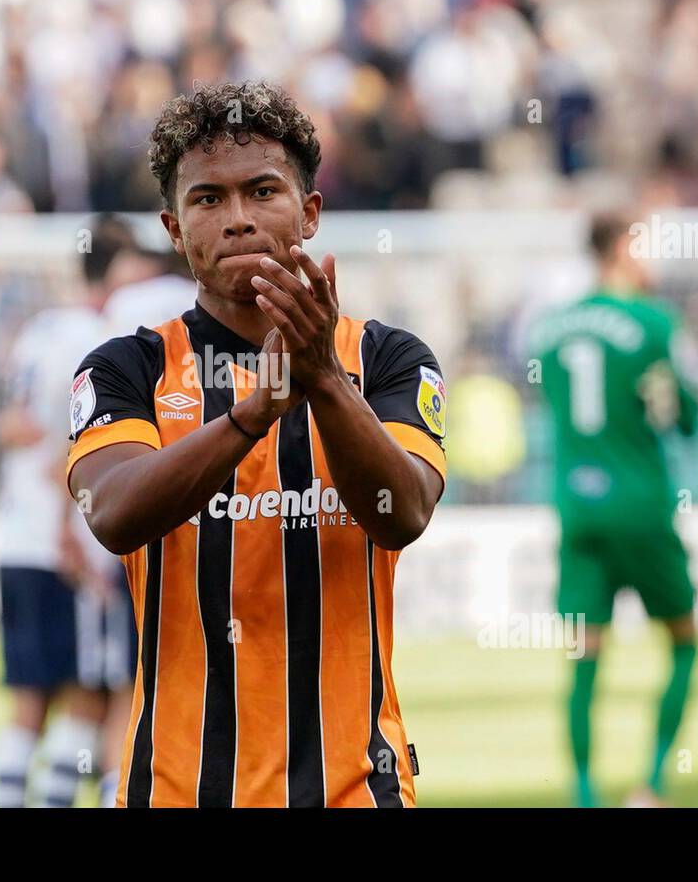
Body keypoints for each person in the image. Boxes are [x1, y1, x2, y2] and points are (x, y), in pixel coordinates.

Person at [66, 82, 447, 807]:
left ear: (307, 214)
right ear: (175, 230)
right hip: (179, 791)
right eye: (208, 199)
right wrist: (253, 414)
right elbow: (112, 514)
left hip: (354, 788)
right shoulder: (128, 368)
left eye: (262, 191)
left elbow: (403, 513)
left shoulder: (388, 358)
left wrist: (324, 383)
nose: (237, 219)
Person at [527, 212, 698, 808]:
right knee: (684, 641)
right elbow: (689, 417)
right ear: (624, 248)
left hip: (576, 505)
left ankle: (582, 796)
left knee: (583, 658)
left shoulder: (550, 329)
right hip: (642, 507)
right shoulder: (653, 323)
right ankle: (649, 786)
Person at [0, 213, 136, 808]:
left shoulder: (37, 330)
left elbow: (12, 425)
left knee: (31, 700)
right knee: (95, 693)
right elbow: (70, 452)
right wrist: (69, 532)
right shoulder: (96, 338)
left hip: (13, 537)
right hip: (64, 539)